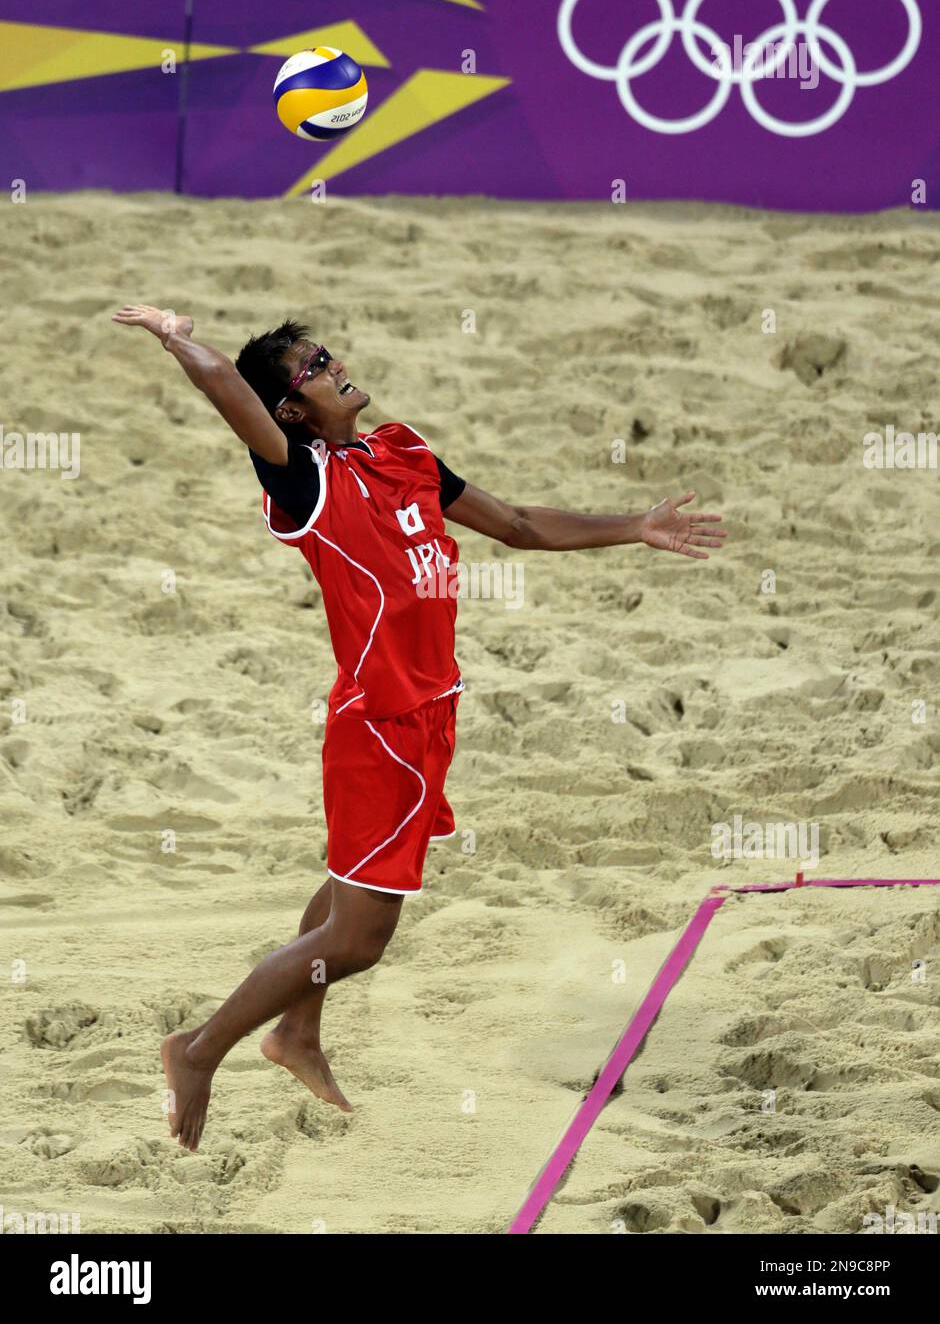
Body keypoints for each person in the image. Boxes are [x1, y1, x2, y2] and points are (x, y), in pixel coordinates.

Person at [111, 303, 728, 1152]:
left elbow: (514, 525)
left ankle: (296, 1034)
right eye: (312, 368)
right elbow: (230, 393)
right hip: (379, 727)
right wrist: (178, 336)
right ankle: (199, 1048)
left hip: (432, 712)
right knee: (360, 939)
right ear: (291, 412)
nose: (334, 367)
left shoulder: (403, 452)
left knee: (344, 887)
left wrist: (633, 527)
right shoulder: (304, 478)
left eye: (326, 353)